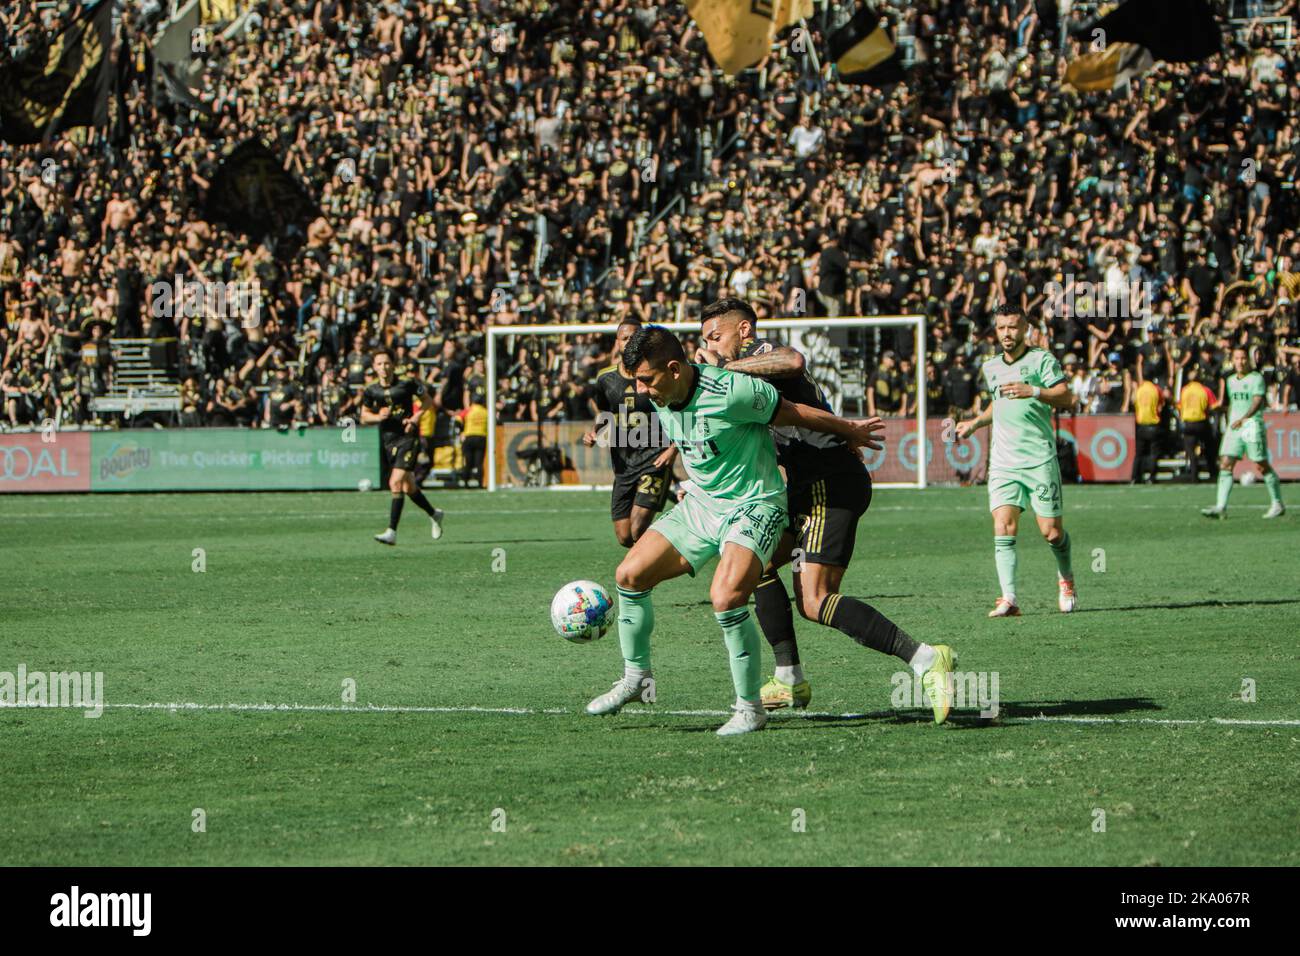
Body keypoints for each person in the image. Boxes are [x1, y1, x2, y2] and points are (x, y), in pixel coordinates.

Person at [584, 326, 941, 736]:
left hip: (754, 504)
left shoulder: (732, 391)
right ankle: (636, 678)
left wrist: (849, 431)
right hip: (702, 505)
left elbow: (794, 413)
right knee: (629, 575)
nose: (643, 391)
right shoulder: (661, 394)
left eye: (647, 380)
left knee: (726, 596)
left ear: (674, 368)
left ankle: (750, 708)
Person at [696, 298, 954, 718]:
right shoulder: (739, 382)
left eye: (716, 336)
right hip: (805, 486)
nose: (710, 345)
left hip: (829, 483)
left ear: (744, 331)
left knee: (815, 601)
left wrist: (723, 369)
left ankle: (926, 658)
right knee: (751, 562)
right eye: (705, 339)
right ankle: (789, 678)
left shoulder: (762, 356)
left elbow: (794, 360)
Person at [956, 305, 1078, 617]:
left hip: (1038, 458)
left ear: (1025, 329)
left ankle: (1065, 578)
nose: (1007, 334)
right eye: (1001, 328)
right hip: (1003, 462)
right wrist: (974, 424)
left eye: (1012, 327)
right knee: (1003, 525)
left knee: (1051, 532)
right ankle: (1008, 598)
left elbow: (1067, 397)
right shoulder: (991, 366)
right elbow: (997, 404)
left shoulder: (1042, 360)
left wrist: (1034, 390)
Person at [582, 318, 677, 547]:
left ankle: (672, 547)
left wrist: (673, 449)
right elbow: (604, 413)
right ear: (617, 343)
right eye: (625, 338)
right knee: (625, 537)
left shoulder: (655, 374)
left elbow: (678, 413)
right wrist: (593, 432)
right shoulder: (605, 379)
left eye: (634, 337)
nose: (629, 342)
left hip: (655, 459)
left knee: (636, 528)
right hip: (624, 464)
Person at [360, 349, 445, 545]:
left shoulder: (407, 384)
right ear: (374, 367)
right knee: (408, 486)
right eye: (379, 364)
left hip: (408, 437)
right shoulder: (372, 390)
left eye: (387, 363)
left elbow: (427, 401)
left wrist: (415, 418)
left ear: (393, 365)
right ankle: (434, 514)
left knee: (395, 482)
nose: (383, 367)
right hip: (389, 440)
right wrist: (377, 417)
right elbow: (364, 415)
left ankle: (392, 532)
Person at [1201, 347, 1286, 519]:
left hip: (1252, 425)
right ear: (1233, 360)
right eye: (1237, 358)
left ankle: (1277, 503)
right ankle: (1221, 507)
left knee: (1261, 464)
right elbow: (1232, 403)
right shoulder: (1231, 380)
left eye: (1243, 358)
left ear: (1249, 360)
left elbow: (1257, 401)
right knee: (1225, 463)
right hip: (1235, 426)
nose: (1240, 362)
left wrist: (1244, 418)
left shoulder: (1256, 379)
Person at [1178, 366, 1216, 481]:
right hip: (1201, 422)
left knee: (1190, 451)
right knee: (1209, 447)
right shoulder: (1205, 390)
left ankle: (1194, 476)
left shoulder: (1184, 390)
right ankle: (1212, 472)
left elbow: (1180, 406)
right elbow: (1213, 406)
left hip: (1188, 424)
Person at [1131, 376, 1163, 484]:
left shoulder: (1139, 389)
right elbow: (1161, 406)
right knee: (1153, 453)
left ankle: (1135, 477)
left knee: (1139, 454)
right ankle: (1151, 477)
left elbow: (1133, 401)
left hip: (1141, 424)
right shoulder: (1156, 389)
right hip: (1153, 424)